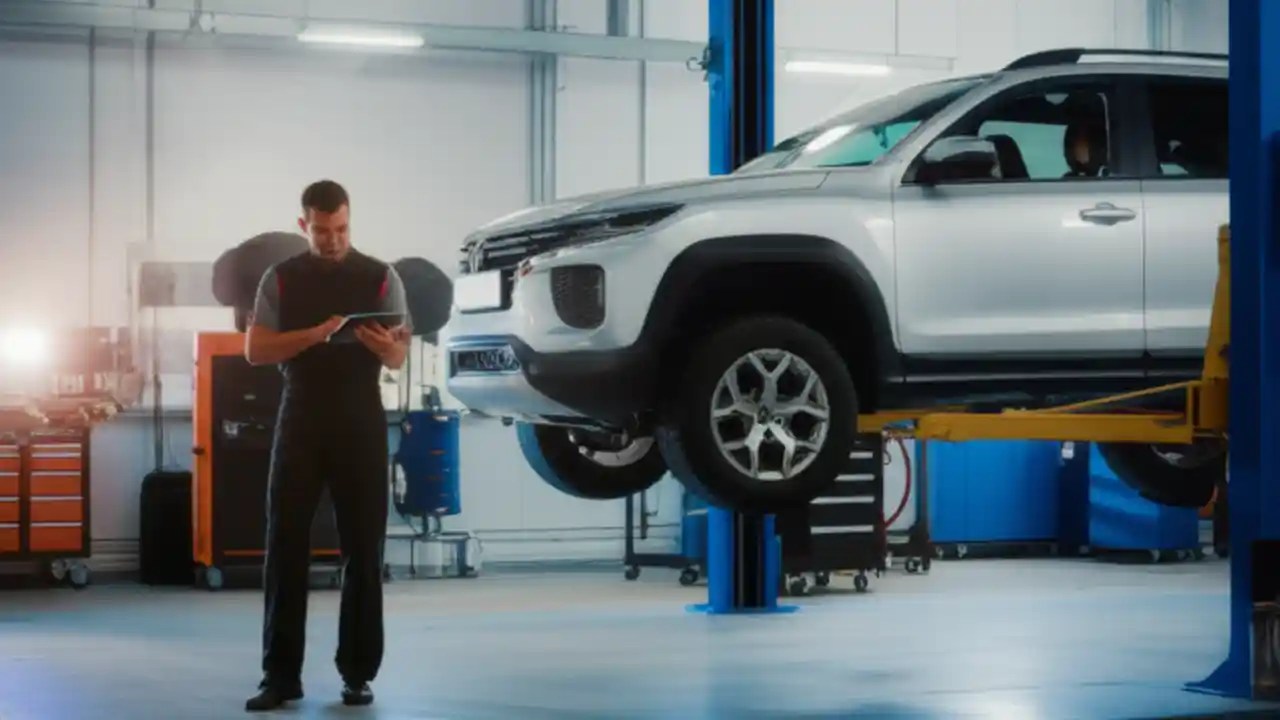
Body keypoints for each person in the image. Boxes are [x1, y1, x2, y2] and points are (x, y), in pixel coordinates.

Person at [243, 179, 411, 711]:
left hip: (361, 415)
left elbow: (399, 358)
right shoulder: (282, 279)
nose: (333, 240)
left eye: (340, 229)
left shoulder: (382, 277)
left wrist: (386, 349)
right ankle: (279, 677)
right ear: (304, 226)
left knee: (363, 548)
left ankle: (358, 673)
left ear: (349, 221)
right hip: (302, 415)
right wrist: (314, 335)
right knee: (285, 544)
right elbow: (255, 350)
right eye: (322, 231)